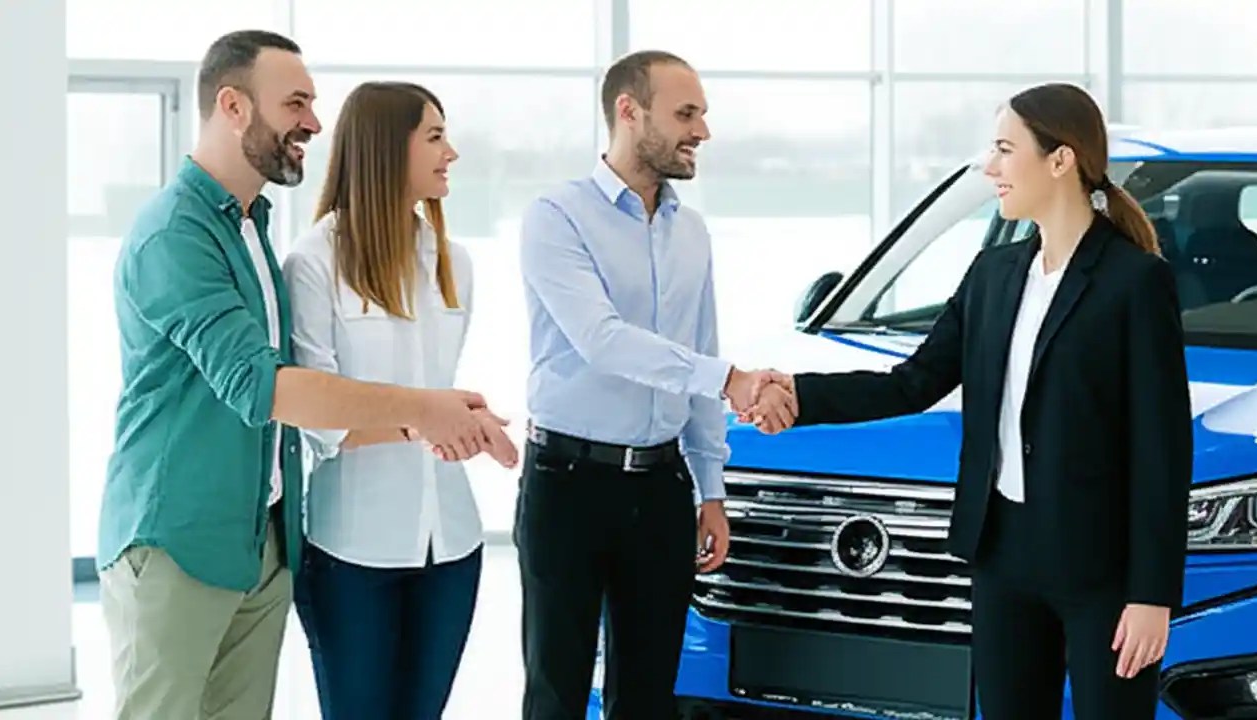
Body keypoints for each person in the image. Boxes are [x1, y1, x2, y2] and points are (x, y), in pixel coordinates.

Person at [98, 31, 516, 720]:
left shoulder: (250, 228)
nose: (315, 123)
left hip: (259, 543)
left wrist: (432, 416)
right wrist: (427, 412)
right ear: (232, 107)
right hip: (177, 540)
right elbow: (262, 385)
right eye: (296, 102)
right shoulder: (176, 233)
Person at [746, 82, 1192, 720]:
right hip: (1002, 554)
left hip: (1102, 571)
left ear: (1060, 160)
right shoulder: (993, 274)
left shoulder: (1135, 282)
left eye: (1006, 150)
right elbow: (913, 381)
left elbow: (1162, 448)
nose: (990, 168)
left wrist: (1152, 595)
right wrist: (798, 393)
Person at [515, 49, 792, 720]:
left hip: (662, 491)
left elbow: (697, 355)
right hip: (568, 483)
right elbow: (602, 340)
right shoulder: (556, 217)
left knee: (647, 696)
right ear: (629, 112)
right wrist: (731, 380)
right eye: (686, 114)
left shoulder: (689, 231)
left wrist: (712, 491)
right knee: (557, 691)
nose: (702, 131)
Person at [282, 81, 485, 720]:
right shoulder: (314, 262)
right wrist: (431, 420)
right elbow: (320, 423)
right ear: (383, 148)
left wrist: (468, 423)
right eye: (434, 136)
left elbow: (441, 394)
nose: (450, 152)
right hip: (352, 552)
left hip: (452, 545)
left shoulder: (454, 262)